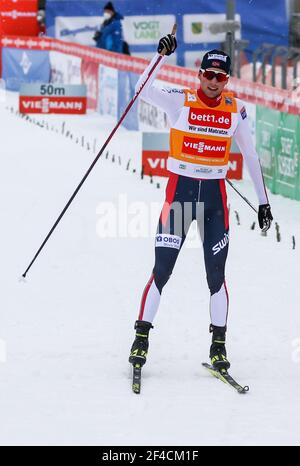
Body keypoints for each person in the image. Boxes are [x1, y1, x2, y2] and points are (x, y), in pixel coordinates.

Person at [128, 34, 273, 372]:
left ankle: (218, 345)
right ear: (199, 75)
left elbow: (251, 157)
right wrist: (160, 55)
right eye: (208, 75)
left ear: (227, 80)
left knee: (216, 275)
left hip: (213, 203)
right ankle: (141, 339)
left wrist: (263, 203)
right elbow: (142, 89)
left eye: (220, 77)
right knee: (162, 271)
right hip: (178, 197)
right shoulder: (180, 99)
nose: (213, 82)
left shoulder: (236, 109)